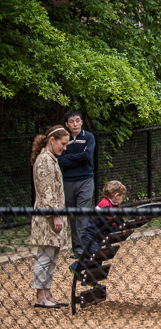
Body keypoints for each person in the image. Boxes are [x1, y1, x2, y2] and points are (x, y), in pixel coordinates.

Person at [30, 125, 71, 309]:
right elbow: (46, 192)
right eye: (63, 144)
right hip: (47, 218)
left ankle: (47, 292)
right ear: (52, 140)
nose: (65, 147)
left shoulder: (51, 159)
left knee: (52, 256)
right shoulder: (44, 160)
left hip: (55, 216)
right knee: (45, 256)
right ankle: (40, 296)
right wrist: (54, 216)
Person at [58, 110, 96, 258]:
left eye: (78, 120)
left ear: (81, 122)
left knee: (83, 214)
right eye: (72, 121)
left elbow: (87, 156)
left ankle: (85, 248)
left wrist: (69, 158)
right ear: (66, 124)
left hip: (85, 179)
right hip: (68, 181)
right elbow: (61, 160)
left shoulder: (88, 137)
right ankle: (77, 249)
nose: (75, 124)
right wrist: (76, 158)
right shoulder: (64, 140)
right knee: (73, 215)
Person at [69, 181, 125, 276]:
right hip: (89, 236)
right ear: (116, 195)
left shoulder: (113, 205)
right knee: (96, 256)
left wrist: (123, 226)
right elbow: (107, 222)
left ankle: (92, 277)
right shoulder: (105, 205)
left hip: (96, 237)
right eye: (122, 197)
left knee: (98, 257)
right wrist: (117, 229)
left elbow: (118, 218)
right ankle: (75, 266)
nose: (122, 199)